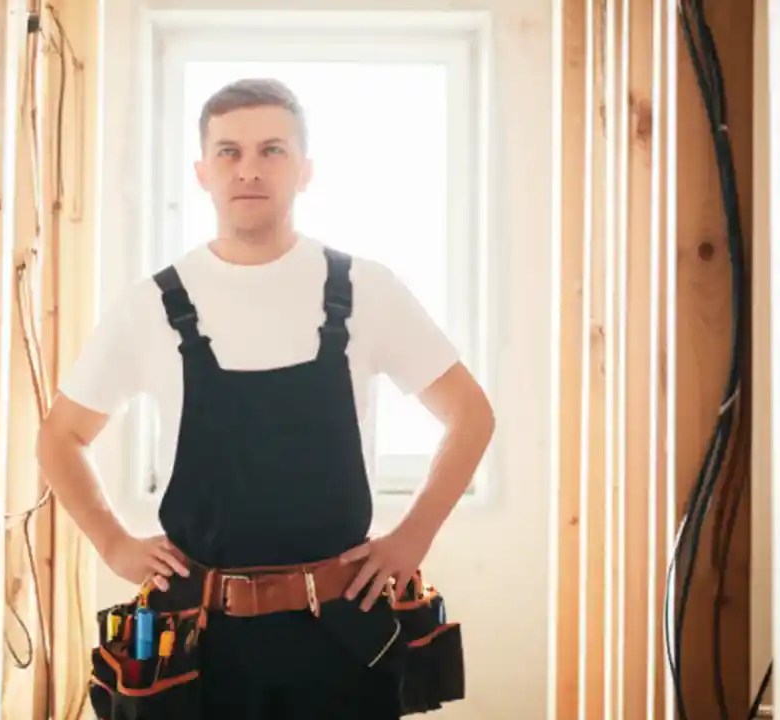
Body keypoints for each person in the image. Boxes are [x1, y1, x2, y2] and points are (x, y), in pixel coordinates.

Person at [37, 78, 494, 719]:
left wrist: (412, 537)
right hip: (199, 645)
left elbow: (471, 415)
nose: (248, 169)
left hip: (342, 635)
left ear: (305, 170)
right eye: (229, 151)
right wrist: (114, 544)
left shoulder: (366, 289)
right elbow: (59, 436)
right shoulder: (154, 306)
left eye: (272, 150)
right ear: (201, 171)